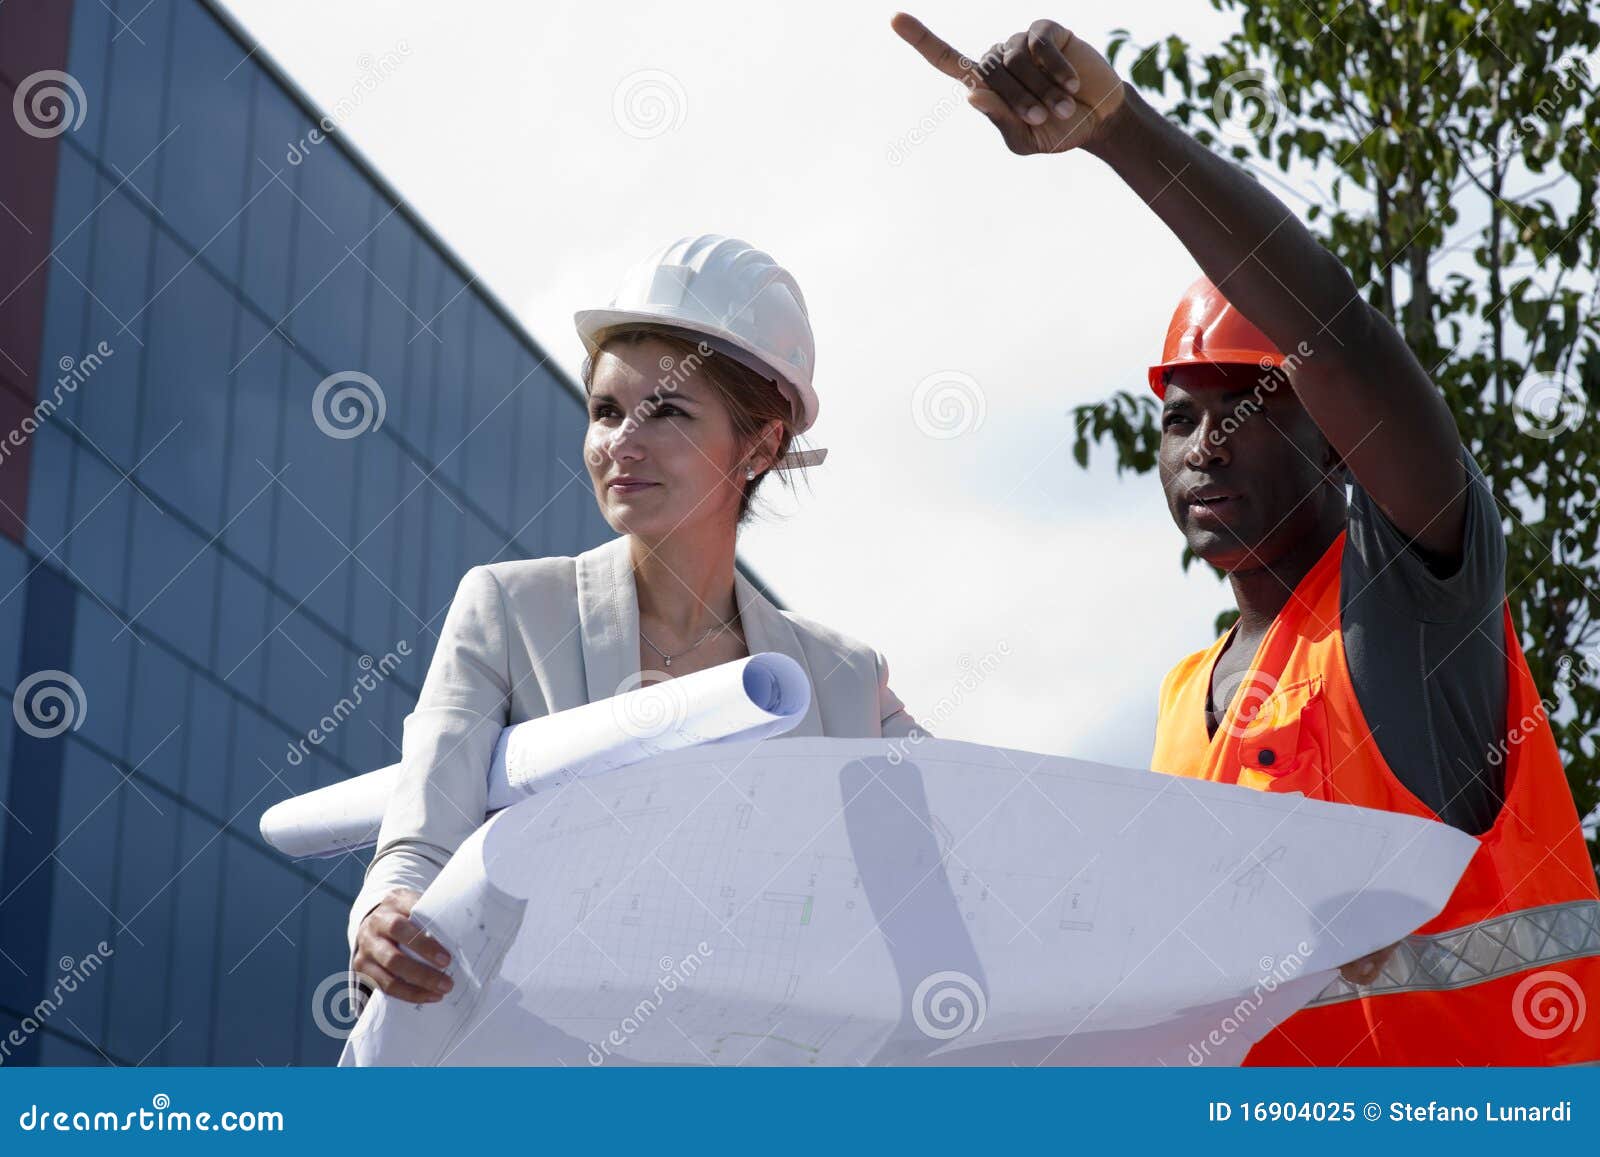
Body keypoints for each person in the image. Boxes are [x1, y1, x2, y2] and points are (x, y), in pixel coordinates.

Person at [893, 13, 1599, 1065]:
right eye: (1177, 418)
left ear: (1333, 441)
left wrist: (1119, 131)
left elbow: (1341, 337)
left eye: (1248, 406)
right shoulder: (1187, 699)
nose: (1204, 447)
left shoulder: (1399, 613)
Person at [348, 234, 923, 1008]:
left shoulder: (848, 681)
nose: (621, 443)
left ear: (759, 446)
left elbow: (972, 853)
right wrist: (387, 911)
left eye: (667, 413)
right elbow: (424, 826)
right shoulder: (510, 611)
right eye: (606, 411)